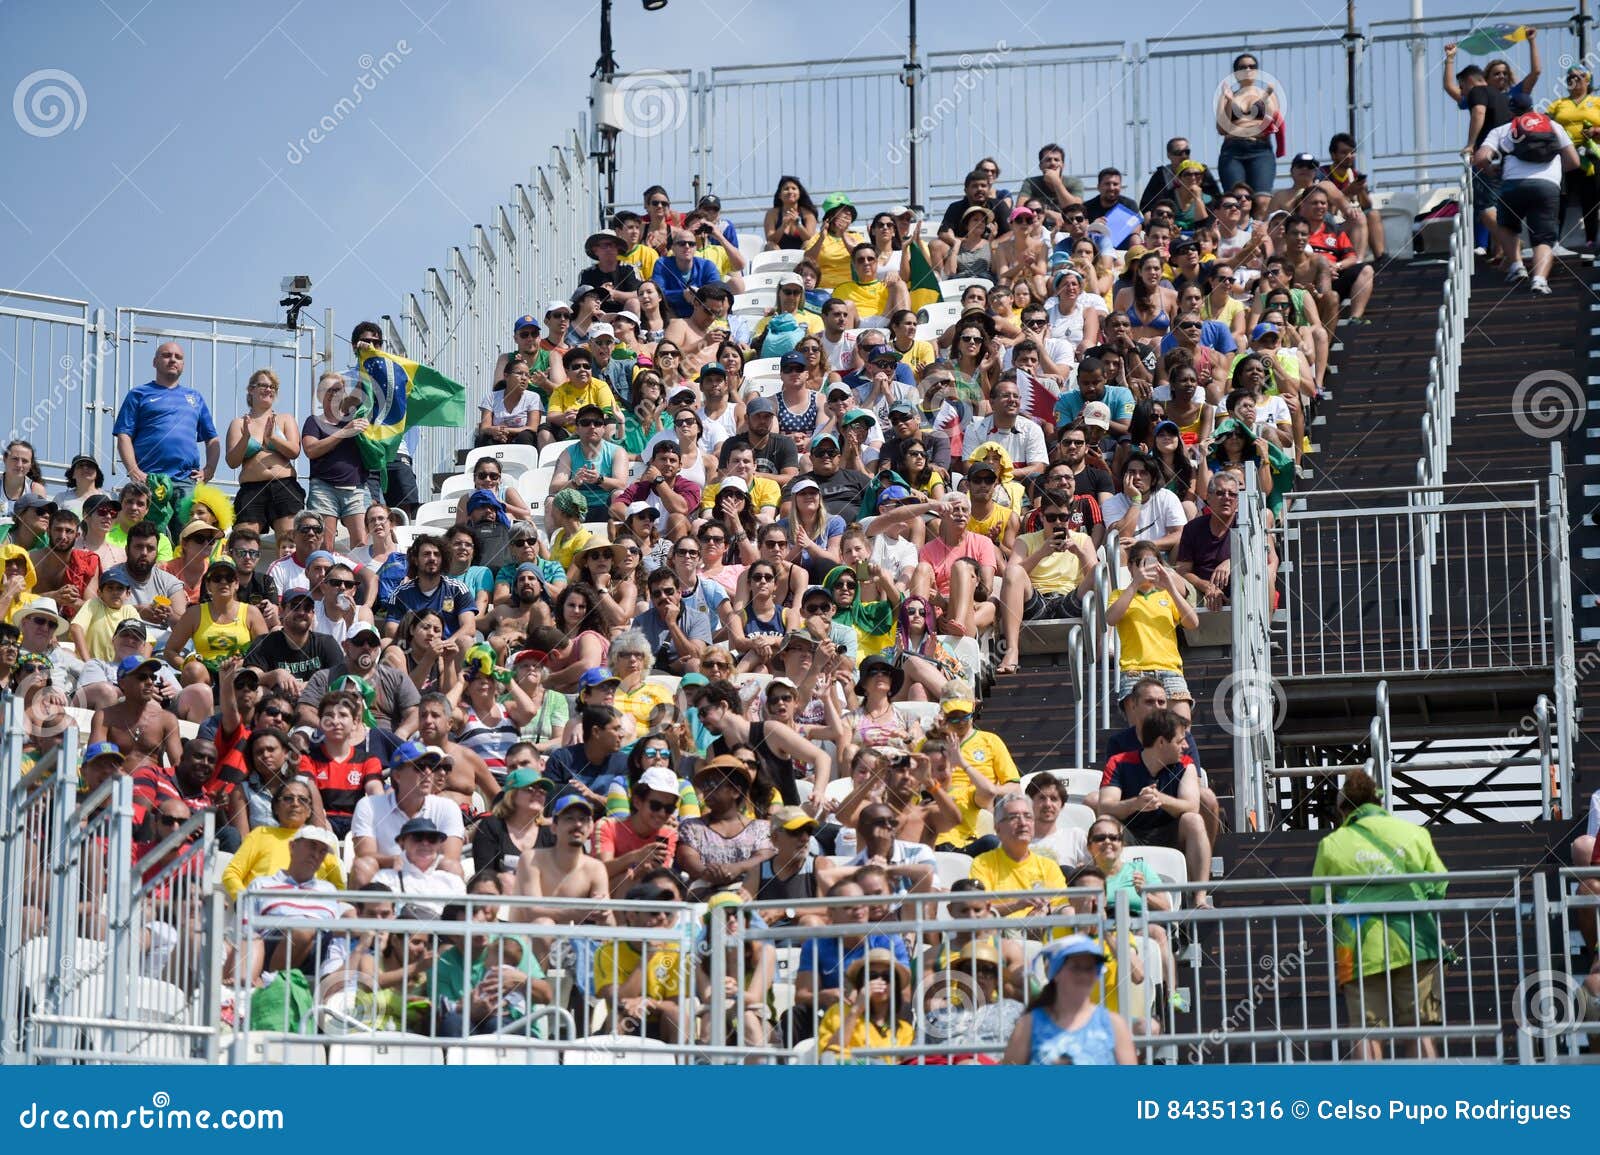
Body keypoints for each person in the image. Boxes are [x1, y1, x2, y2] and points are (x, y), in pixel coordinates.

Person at [1311, 769, 1449, 1060]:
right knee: (1419, 1029)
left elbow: (1318, 902)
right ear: (1379, 801)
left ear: (1343, 808)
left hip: (1359, 948)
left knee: (1366, 1032)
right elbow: (1439, 882)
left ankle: (1369, 1101)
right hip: (1415, 941)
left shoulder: (1332, 844)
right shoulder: (1414, 833)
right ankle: (1429, 1102)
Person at [1096, 707, 1211, 906]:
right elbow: (1104, 806)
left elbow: (1191, 806)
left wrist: (1159, 799)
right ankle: (1106, 896)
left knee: (1194, 820)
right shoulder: (1119, 762)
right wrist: (1136, 803)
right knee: (1105, 823)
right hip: (1129, 833)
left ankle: (1199, 898)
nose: (1185, 746)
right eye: (1179, 741)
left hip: (1169, 832)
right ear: (1161, 742)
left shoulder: (1186, 765)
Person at [111, 342, 221, 540]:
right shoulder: (138, 394)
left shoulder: (194, 397)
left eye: (178, 357)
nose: (173, 360)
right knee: (150, 539)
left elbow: (212, 438)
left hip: (186, 481)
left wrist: (210, 468)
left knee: (187, 539)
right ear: (155, 362)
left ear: (183, 365)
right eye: (166, 355)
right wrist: (133, 470)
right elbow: (124, 435)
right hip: (150, 480)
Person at [1474, 109, 1581, 295]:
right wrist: (1554, 171)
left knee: (1507, 226)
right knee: (1543, 239)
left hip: (1512, 186)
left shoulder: (1502, 129)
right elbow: (1574, 161)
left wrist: (1491, 170)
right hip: (1547, 187)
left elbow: (1481, 158)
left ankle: (1517, 266)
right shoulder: (1554, 126)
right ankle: (1539, 280)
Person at [1003, 934, 1137, 1064]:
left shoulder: (1114, 1025)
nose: (1084, 975)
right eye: (1076, 967)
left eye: (1090, 968)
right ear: (1056, 973)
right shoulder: (1029, 1024)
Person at [220, 777, 345, 900]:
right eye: (288, 798)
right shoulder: (260, 835)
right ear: (275, 807)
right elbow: (231, 874)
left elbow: (339, 888)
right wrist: (244, 902)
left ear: (309, 811)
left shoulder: (318, 840)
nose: (295, 804)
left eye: (302, 799)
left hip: (312, 913)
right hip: (264, 911)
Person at [226, 367, 304, 545]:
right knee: (244, 540)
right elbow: (232, 461)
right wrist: (245, 438)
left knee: (289, 541)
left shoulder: (285, 419)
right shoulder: (238, 423)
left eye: (273, 387)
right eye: (263, 385)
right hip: (251, 488)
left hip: (284, 485)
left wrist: (273, 439)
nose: (268, 389)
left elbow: (294, 451)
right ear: (251, 389)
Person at [510, 795, 612, 923]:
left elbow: (609, 923)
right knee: (544, 923)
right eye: (569, 819)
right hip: (525, 939)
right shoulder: (531, 859)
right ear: (553, 827)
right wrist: (581, 913)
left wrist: (604, 913)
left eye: (583, 819)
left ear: (591, 827)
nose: (578, 824)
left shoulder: (596, 868)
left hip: (575, 941)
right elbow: (531, 912)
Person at [969, 793, 1068, 912]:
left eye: (1028, 816)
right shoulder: (982, 864)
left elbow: (1062, 907)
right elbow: (979, 911)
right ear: (997, 828)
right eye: (1013, 817)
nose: (1022, 823)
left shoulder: (1049, 866)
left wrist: (1043, 912)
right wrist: (1018, 904)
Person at [372, 816, 467, 918]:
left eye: (432, 838)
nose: (425, 843)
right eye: (418, 837)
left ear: (439, 844)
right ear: (402, 843)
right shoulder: (384, 879)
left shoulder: (453, 882)